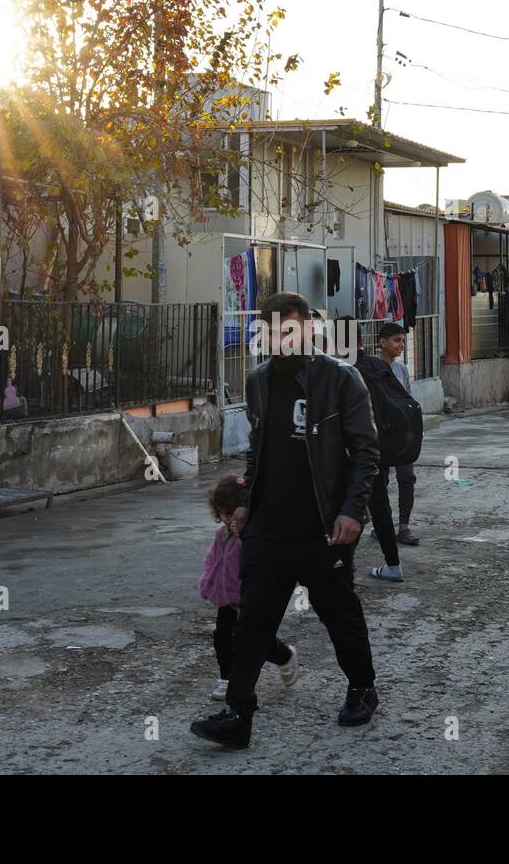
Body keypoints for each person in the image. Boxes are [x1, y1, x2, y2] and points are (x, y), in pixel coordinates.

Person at [190, 292, 380, 749]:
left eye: (291, 330)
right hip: (267, 525)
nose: (283, 340)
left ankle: (362, 688)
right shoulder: (258, 381)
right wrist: (244, 502)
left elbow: (366, 453)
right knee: (252, 620)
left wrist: (352, 510)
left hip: (323, 525)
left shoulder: (341, 380)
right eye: (274, 331)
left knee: (338, 612)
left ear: (310, 329)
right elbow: (260, 446)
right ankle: (238, 714)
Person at [199, 474, 299, 701]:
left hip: (251, 597)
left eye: (231, 512)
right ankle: (226, 679)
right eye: (222, 513)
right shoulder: (221, 534)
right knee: (223, 637)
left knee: (255, 639)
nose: (226, 519)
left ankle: (284, 655)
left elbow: (267, 563)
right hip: (227, 599)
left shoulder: (255, 534)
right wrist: (208, 583)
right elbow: (211, 560)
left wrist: (243, 534)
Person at [356, 324, 423, 584]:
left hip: (396, 438)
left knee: (403, 480)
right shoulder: (367, 368)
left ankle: (403, 527)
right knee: (376, 491)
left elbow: (407, 403)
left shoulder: (399, 370)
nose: (401, 345)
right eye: (396, 340)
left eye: (403, 340)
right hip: (379, 441)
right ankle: (385, 545)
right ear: (381, 342)